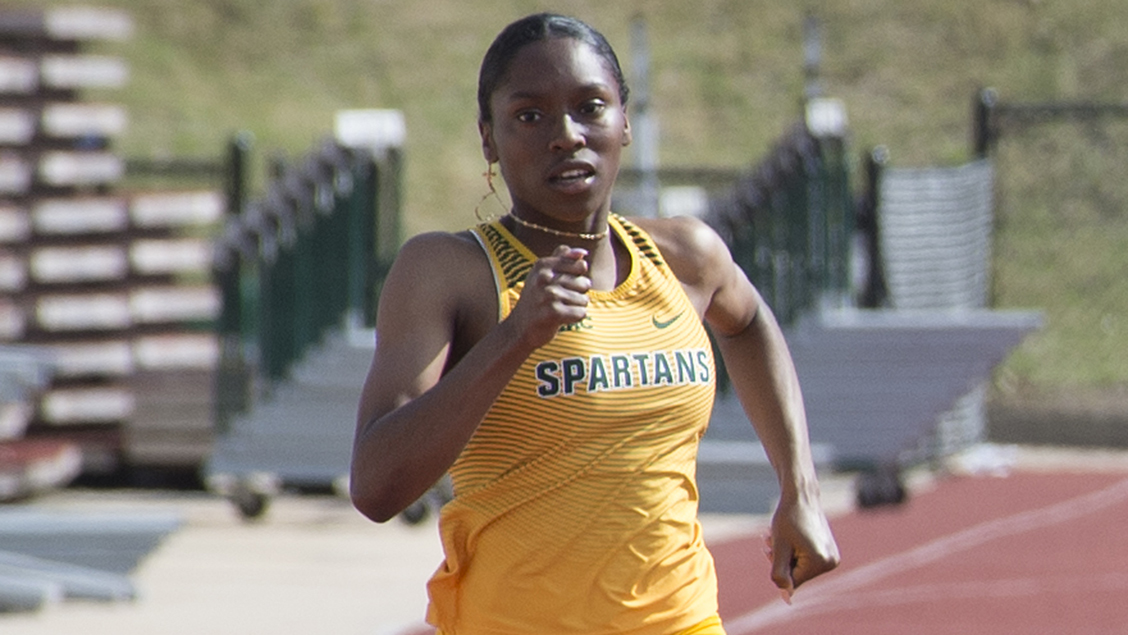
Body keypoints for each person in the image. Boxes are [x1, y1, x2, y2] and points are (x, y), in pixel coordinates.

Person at [350, 12, 839, 634]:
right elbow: (376, 487)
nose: (566, 135)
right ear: (488, 139)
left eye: (590, 107)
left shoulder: (687, 256)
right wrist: (514, 337)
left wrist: (799, 489)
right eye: (530, 115)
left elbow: (749, 325)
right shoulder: (449, 272)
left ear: (625, 121)